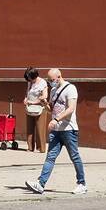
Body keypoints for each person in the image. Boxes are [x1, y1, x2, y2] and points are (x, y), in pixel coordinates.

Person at [25, 67, 88, 195]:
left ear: (59, 77)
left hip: (69, 129)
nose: (51, 82)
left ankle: (82, 184)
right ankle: (40, 184)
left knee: (74, 156)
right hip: (56, 130)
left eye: (52, 80)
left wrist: (56, 120)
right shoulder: (53, 90)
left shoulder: (70, 89)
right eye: (49, 80)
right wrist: (44, 104)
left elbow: (71, 109)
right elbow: (51, 109)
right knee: (50, 157)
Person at [23, 67, 46, 151]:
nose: (29, 80)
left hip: (39, 107)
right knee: (29, 128)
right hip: (29, 107)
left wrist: (33, 102)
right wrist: (25, 99)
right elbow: (27, 92)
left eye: (30, 78)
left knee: (40, 128)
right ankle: (30, 147)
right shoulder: (30, 82)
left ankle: (41, 148)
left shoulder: (42, 82)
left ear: (35, 76)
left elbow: (44, 96)